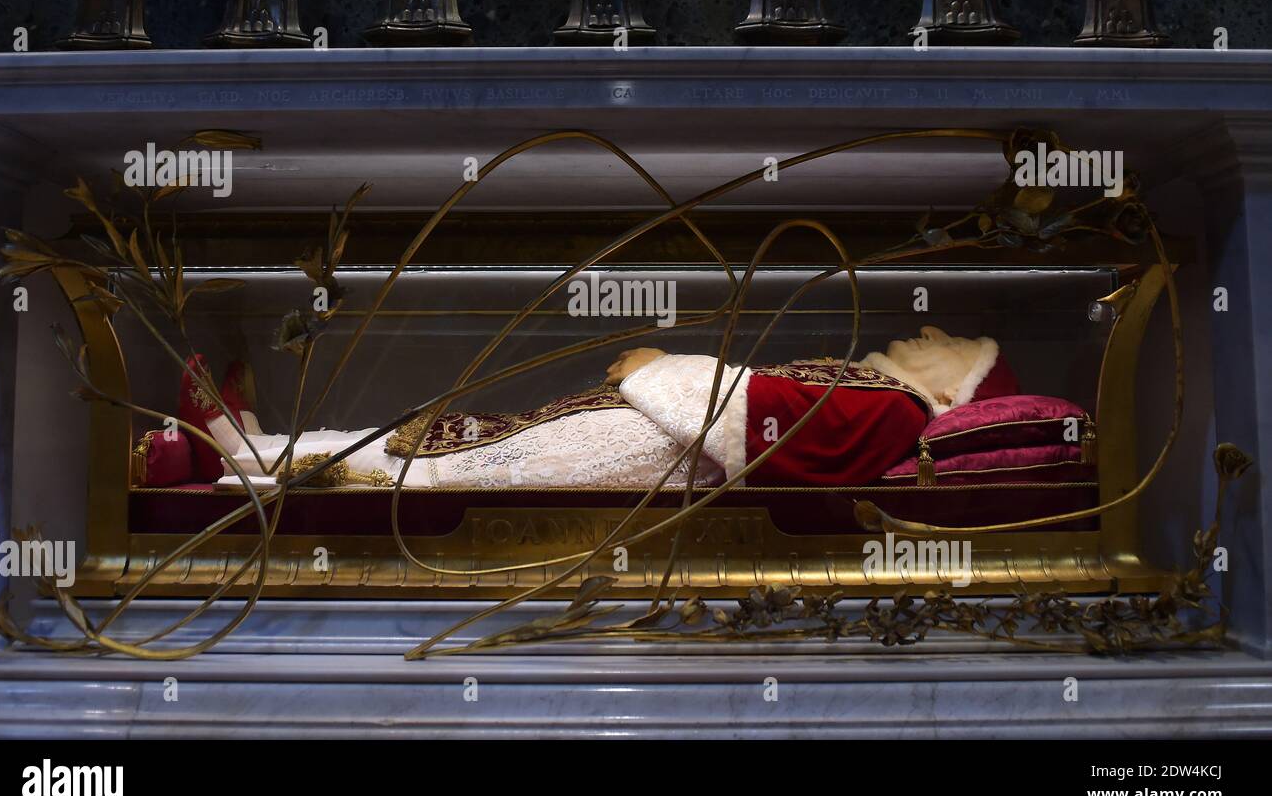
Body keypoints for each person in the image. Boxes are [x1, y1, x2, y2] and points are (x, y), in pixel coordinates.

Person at [210, 327, 1019, 490]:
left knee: (452, 464)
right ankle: (263, 448)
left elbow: (757, 412)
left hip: (662, 450)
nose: (926, 332)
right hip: (653, 436)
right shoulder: (890, 399)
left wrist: (663, 367)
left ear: (959, 385)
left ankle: (255, 460)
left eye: (948, 342)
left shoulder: (897, 410)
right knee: (463, 446)